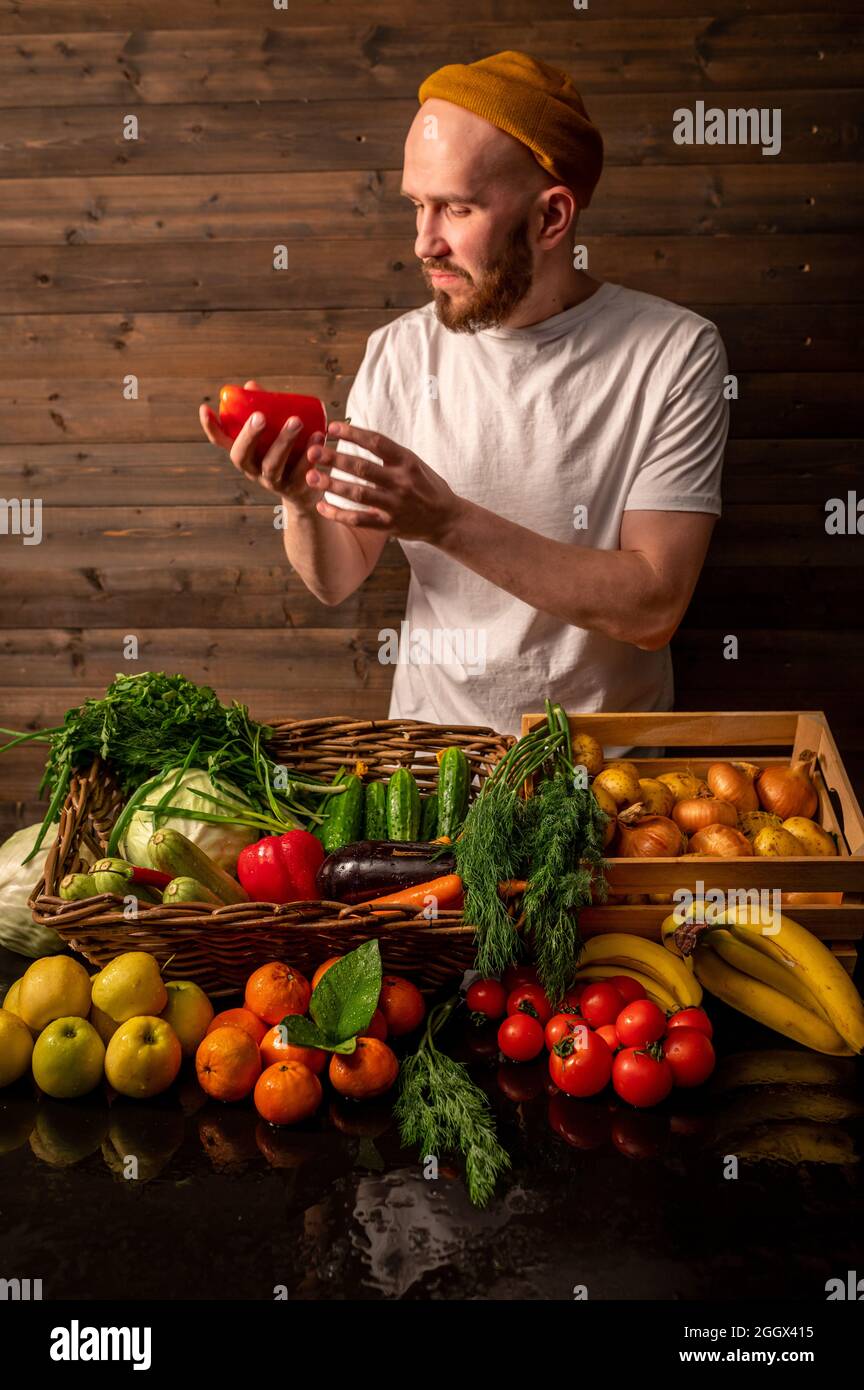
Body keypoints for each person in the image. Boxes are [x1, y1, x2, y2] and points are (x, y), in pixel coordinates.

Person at [200, 50, 729, 744]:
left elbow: (653, 606)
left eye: (457, 207)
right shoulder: (398, 353)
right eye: (417, 206)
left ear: (551, 218)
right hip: (429, 765)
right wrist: (300, 503)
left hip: (607, 777)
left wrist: (445, 520)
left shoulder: (674, 352)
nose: (424, 243)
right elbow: (337, 578)